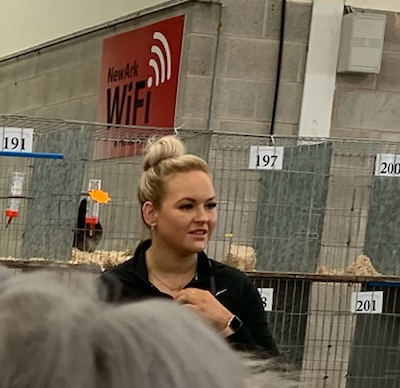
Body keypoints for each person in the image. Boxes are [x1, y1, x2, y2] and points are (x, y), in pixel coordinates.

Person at [101, 134, 277, 356]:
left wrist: (226, 325)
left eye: (210, 205)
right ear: (151, 213)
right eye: (187, 206)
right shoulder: (112, 289)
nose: (203, 217)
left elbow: (275, 377)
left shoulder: (235, 287)